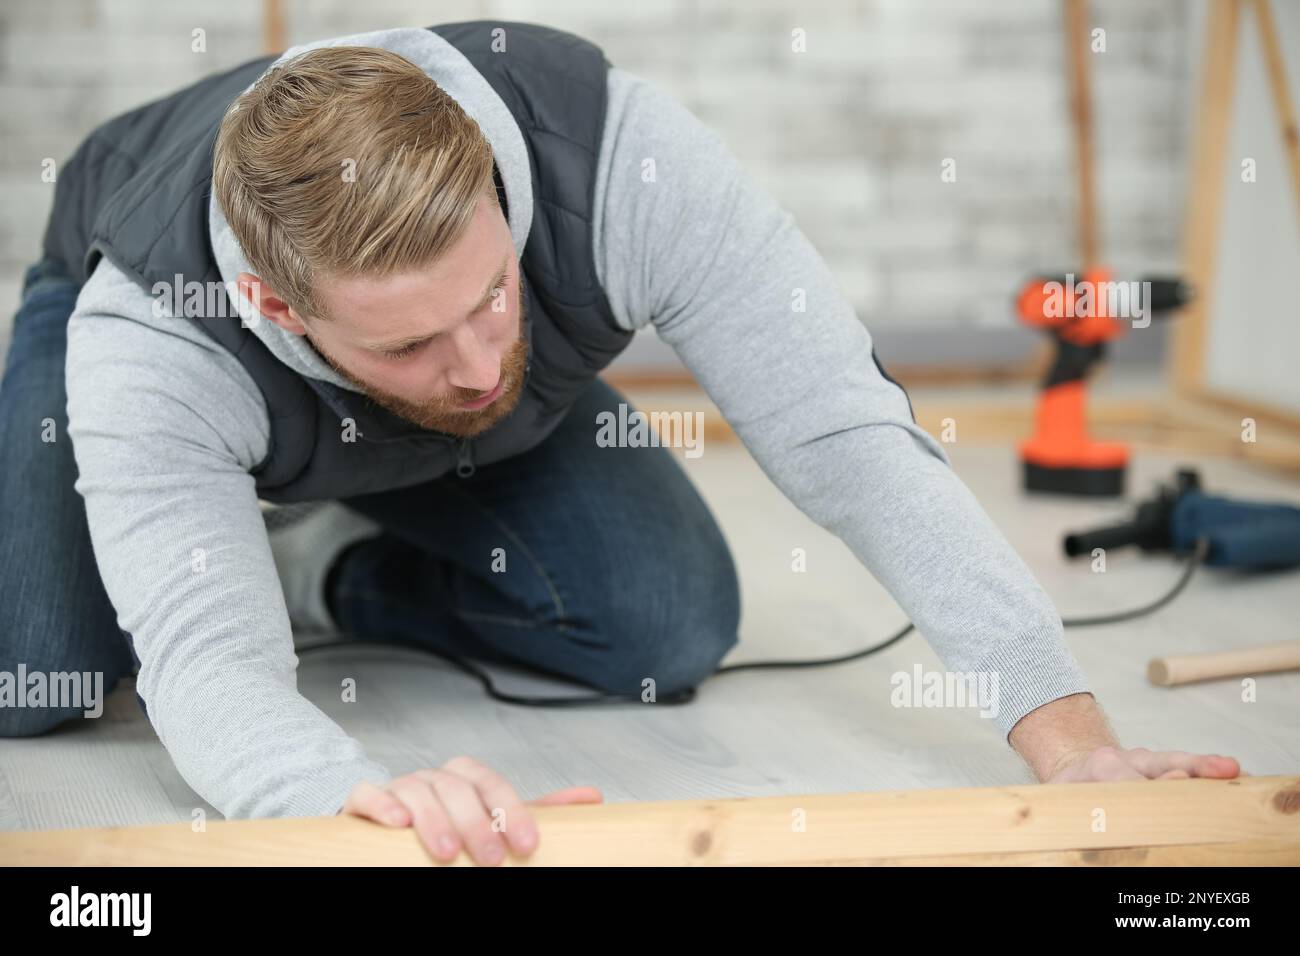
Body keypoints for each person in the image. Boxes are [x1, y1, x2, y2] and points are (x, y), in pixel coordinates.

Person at [0, 22, 1240, 866]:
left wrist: (1073, 739)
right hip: (131, 315)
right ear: (280, 311)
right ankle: (223, 508)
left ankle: (323, 556)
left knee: (664, 622)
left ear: (494, 183)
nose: (481, 365)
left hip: (446, 433)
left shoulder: (626, 162)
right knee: (42, 672)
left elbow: (851, 442)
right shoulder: (156, 331)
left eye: (492, 294)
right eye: (412, 343)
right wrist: (337, 791)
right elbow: (212, 669)